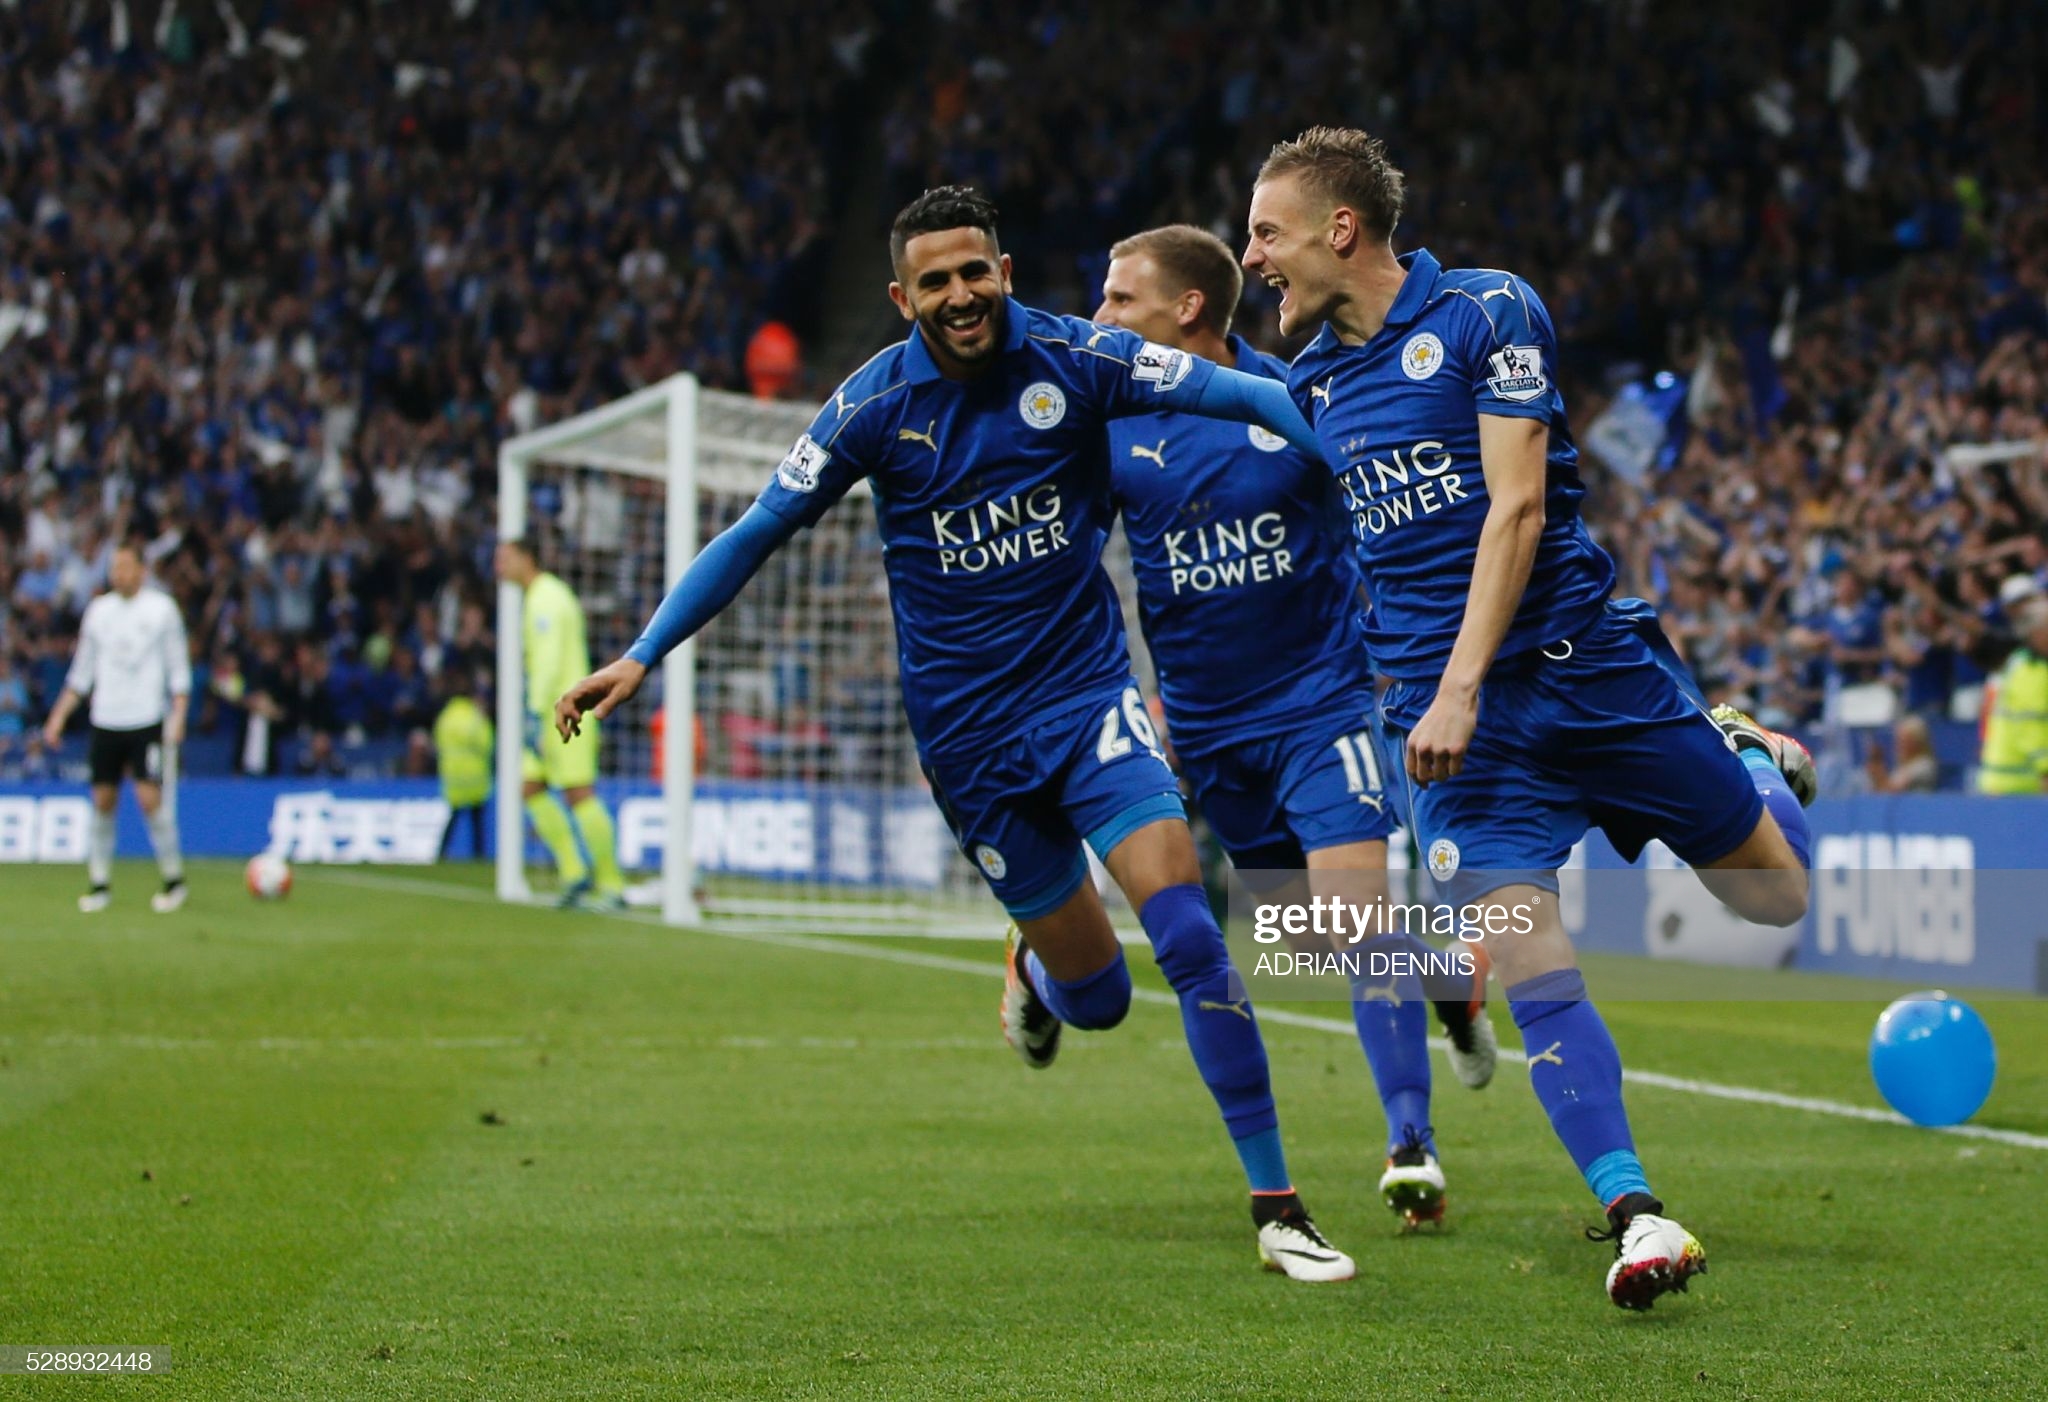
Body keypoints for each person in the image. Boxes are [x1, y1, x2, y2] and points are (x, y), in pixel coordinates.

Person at [556, 186, 1357, 1281]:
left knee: (1186, 931)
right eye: (934, 281)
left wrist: (1356, 455)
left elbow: (1230, 389)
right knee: (1103, 998)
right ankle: (1038, 967)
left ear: (1004, 270)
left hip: (1086, 702)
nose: (959, 295)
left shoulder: (1080, 359)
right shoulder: (870, 406)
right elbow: (755, 530)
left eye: (973, 271)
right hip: (969, 742)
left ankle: (1278, 1207)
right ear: (901, 298)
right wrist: (643, 651)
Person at [1241, 127, 1817, 1309]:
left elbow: (1512, 510)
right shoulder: (1306, 381)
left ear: (1336, 230)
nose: (1253, 256)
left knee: (1773, 898)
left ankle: (1745, 755)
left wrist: (1458, 683)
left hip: (1581, 670)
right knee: (1526, 957)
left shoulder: (1488, 313)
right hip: (1452, 732)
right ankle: (1636, 1211)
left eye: (1263, 232)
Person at [1093, 223, 1495, 1229]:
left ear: (1188, 308)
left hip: (1321, 708)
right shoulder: (1112, 425)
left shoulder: (1297, 397)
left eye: (1118, 301)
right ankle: (1448, 973)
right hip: (1207, 729)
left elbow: (1391, 506)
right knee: (1307, 933)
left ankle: (1411, 1142)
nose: (1099, 319)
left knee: (1356, 925)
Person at [40, 543, 191, 913]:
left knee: (149, 799)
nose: (118, 573)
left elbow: (178, 668)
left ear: (142, 569)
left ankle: (173, 879)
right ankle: (99, 882)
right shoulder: (98, 611)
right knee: (103, 802)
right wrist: (59, 716)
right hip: (106, 719)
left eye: (125, 566)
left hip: (147, 720)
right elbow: (83, 672)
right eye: (114, 567)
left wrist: (179, 715)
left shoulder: (162, 610)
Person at [495, 539, 626, 911]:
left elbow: (550, 661)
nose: (498, 566)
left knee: (578, 793)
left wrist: (537, 711)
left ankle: (612, 883)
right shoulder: (540, 596)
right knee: (530, 786)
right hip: (547, 711)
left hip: (565, 710)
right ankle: (574, 872)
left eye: (504, 558)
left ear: (525, 557)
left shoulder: (546, 598)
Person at [1977, 598, 2048, 794]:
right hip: (2018, 782)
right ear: (2037, 633)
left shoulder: (2021, 661)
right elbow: (2030, 724)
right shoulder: (2031, 670)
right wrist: (2045, 768)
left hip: (2008, 779)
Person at [434, 670, 495, 859]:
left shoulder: (445, 716)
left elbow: (438, 742)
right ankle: (479, 856)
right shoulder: (474, 716)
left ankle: (440, 854)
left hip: (452, 777)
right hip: (474, 777)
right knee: (477, 821)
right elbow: (486, 742)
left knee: (453, 818)